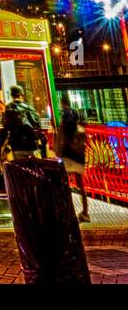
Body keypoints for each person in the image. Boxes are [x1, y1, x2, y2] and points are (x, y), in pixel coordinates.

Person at [56, 93, 90, 222]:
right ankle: (85, 212)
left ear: (61, 102)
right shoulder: (75, 113)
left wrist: (59, 147)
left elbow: (65, 131)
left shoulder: (65, 114)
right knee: (80, 183)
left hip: (68, 153)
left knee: (63, 182)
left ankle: (67, 211)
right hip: (78, 154)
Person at [2, 85, 47, 161]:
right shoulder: (29, 108)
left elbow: (6, 125)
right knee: (33, 167)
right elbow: (37, 124)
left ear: (11, 95)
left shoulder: (8, 108)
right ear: (21, 95)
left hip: (16, 145)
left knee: (20, 167)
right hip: (31, 144)